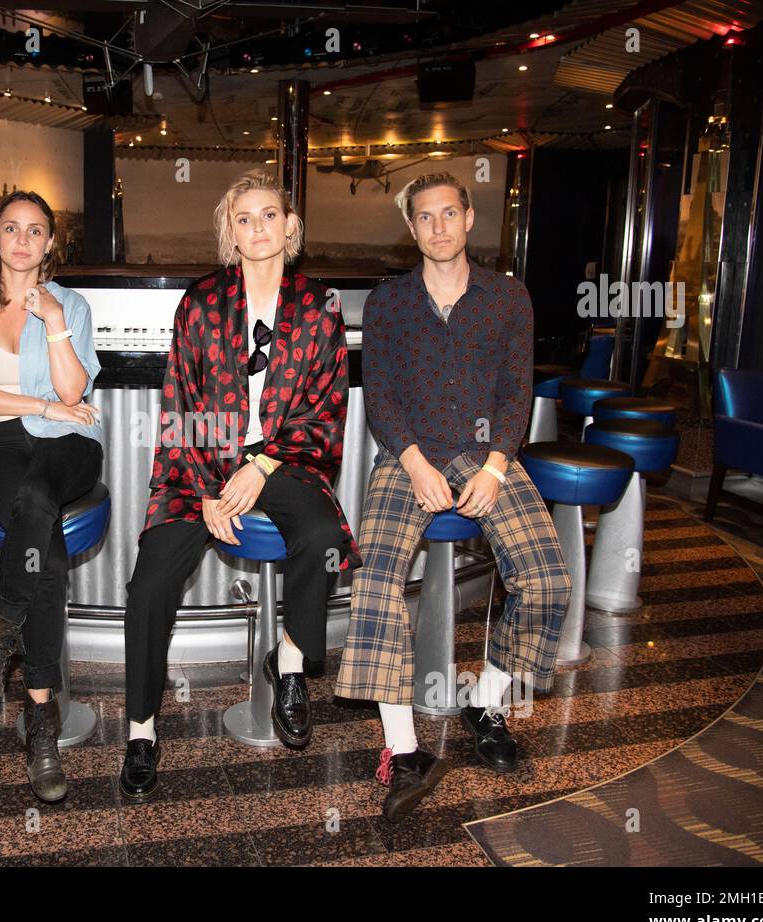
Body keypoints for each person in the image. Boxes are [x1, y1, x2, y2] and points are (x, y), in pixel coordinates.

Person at [335, 172, 572, 823]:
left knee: (548, 580)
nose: (438, 227)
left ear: (469, 219)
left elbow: (515, 394)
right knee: (375, 581)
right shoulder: (387, 302)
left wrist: (497, 465)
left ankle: (487, 702)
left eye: (449, 213)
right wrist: (411, 461)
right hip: (408, 454)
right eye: (425, 217)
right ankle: (405, 751)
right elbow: (379, 394)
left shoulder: (508, 298)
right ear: (412, 229)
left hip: (485, 456)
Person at [118, 171, 359, 801]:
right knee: (149, 584)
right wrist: (205, 490)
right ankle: (141, 729)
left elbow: (325, 407)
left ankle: (288, 660)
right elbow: (179, 406)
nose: (258, 228)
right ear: (230, 231)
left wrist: (262, 466)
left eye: (269, 215)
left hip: (285, 460)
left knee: (322, 534)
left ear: (289, 226)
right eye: (244, 218)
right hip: (199, 464)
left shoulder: (319, 305)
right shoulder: (199, 302)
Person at [0, 190, 102, 804]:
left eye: (36, 231)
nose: (22, 240)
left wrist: (55, 322)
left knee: (39, 496)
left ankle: (3, 629)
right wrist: (39, 405)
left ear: (49, 243)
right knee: (43, 536)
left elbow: (74, 388)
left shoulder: (72, 305)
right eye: (11, 228)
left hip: (70, 437)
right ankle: (41, 722)